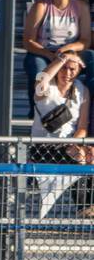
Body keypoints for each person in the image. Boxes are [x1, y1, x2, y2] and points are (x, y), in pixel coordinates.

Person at [23, 0, 93, 115]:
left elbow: (86, 40)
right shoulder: (41, 5)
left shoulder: (81, 7)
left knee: (92, 59)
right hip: (44, 52)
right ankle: (36, 112)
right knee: (36, 68)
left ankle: (88, 111)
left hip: (71, 51)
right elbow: (28, 41)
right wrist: (50, 55)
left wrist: (69, 50)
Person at [31, 53, 94, 215]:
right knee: (78, 158)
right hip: (43, 146)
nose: (67, 73)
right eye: (64, 68)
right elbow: (41, 79)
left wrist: (75, 143)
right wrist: (63, 58)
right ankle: (84, 207)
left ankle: (90, 207)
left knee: (90, 155)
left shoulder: (82, 90)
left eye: (72, 69)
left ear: (79, 70)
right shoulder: (45, 89)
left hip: (69, 144)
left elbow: (82, 127)